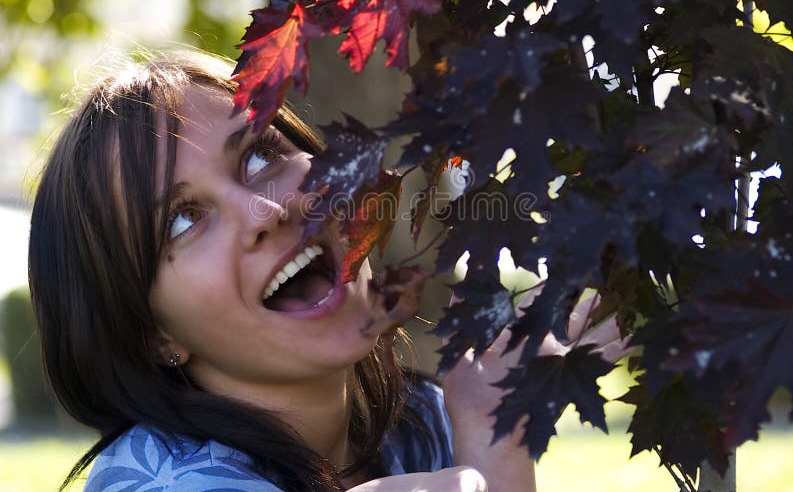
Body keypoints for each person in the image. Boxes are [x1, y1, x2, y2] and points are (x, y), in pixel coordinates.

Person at [28, 50, 623, 491]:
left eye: (262, 155)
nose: (266, 211)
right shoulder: (160, 485)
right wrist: (490, 468)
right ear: (152, 334)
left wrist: (488, 423)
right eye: (182, 222)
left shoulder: (424, 423)